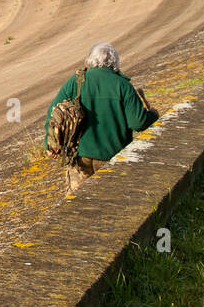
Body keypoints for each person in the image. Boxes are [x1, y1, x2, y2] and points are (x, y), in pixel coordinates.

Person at [46, 42, 159, 196]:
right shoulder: (123, 85)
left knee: (78, 204)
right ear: (115, 62)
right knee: (111, 201)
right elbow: (137, 122)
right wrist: (152, 115)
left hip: (80, 157)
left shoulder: (77, 81)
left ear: (90, 60)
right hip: (113, 156)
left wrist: (51, 143)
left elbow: (54, 114)